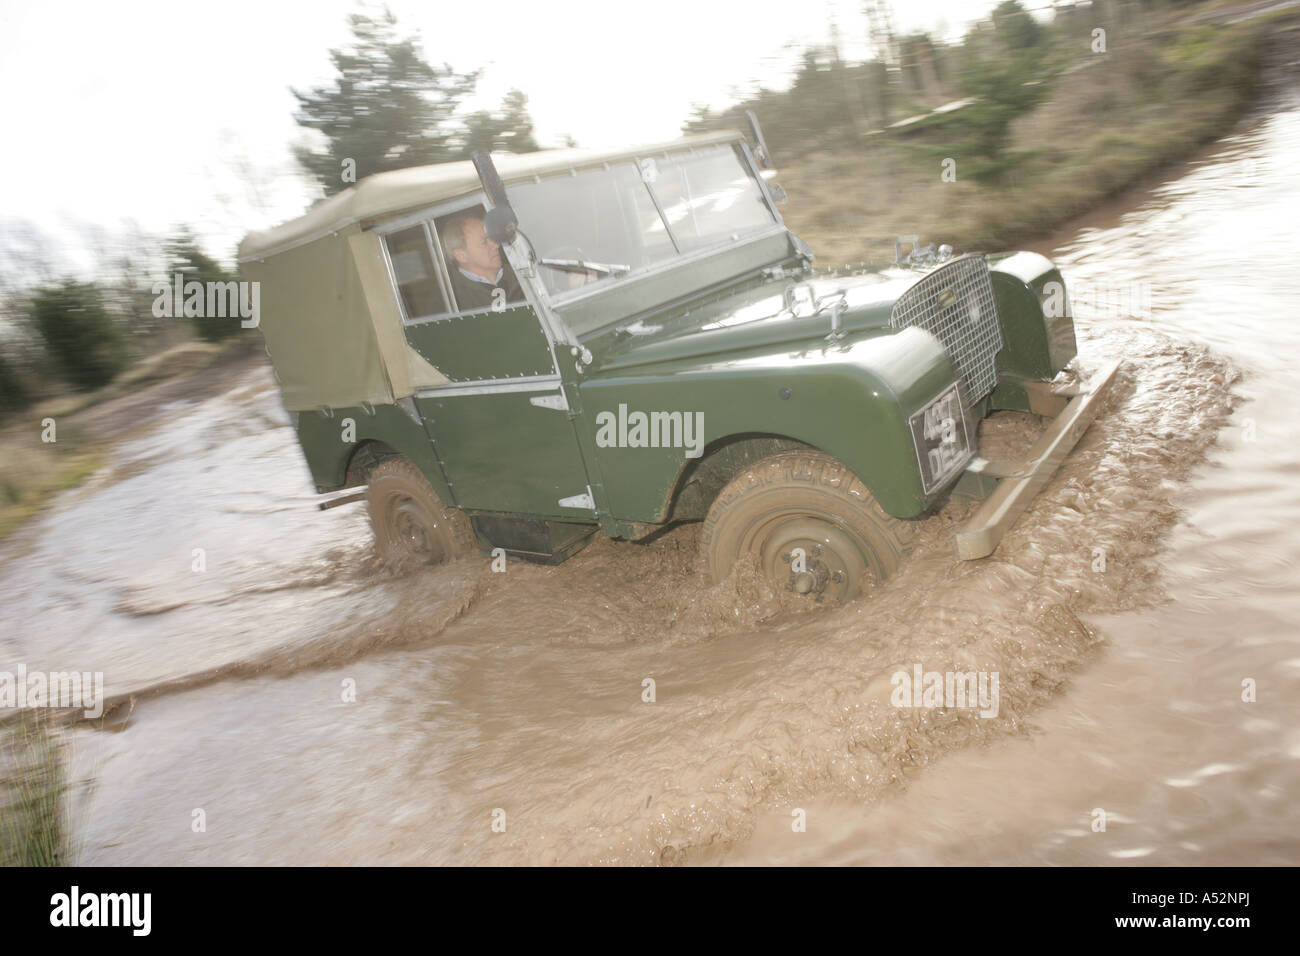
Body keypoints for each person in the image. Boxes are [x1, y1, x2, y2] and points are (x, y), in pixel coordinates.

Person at [440, 210, 524, 312]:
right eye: (484, 242)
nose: (496, 245)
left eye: (492, 238)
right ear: (461, 256)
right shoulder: (450, 302)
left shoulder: (522, 273)